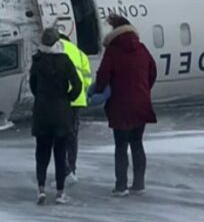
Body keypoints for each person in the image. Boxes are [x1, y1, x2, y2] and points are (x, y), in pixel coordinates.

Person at [94, 15, 157, 196]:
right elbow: (152, 71)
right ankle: (139, 183)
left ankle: (121, 186)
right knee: (137, 143)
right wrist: (144, 89)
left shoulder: (113, 52)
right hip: (141, 103)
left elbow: (103, 76)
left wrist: (99, 90)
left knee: (121, 145)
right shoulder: (142, 49)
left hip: (120, 105)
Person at [31, 28, 82, 204]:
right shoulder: (65, 61)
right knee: (60, 154)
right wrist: (67, 99)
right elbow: (77, 84)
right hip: (61, 113)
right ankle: (60, 193)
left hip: (42, 112)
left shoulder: (37, 61)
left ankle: (41, 190)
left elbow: (33, 85)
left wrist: (41, 97)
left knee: (42, 153)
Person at [60, 33, 92, 184]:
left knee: (59, 138)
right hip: (78, 99)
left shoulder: (58, 51)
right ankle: (72, 169)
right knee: (72, 137)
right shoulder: (80, 53)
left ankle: (64, 171)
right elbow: (87, 79)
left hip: (62, 100)